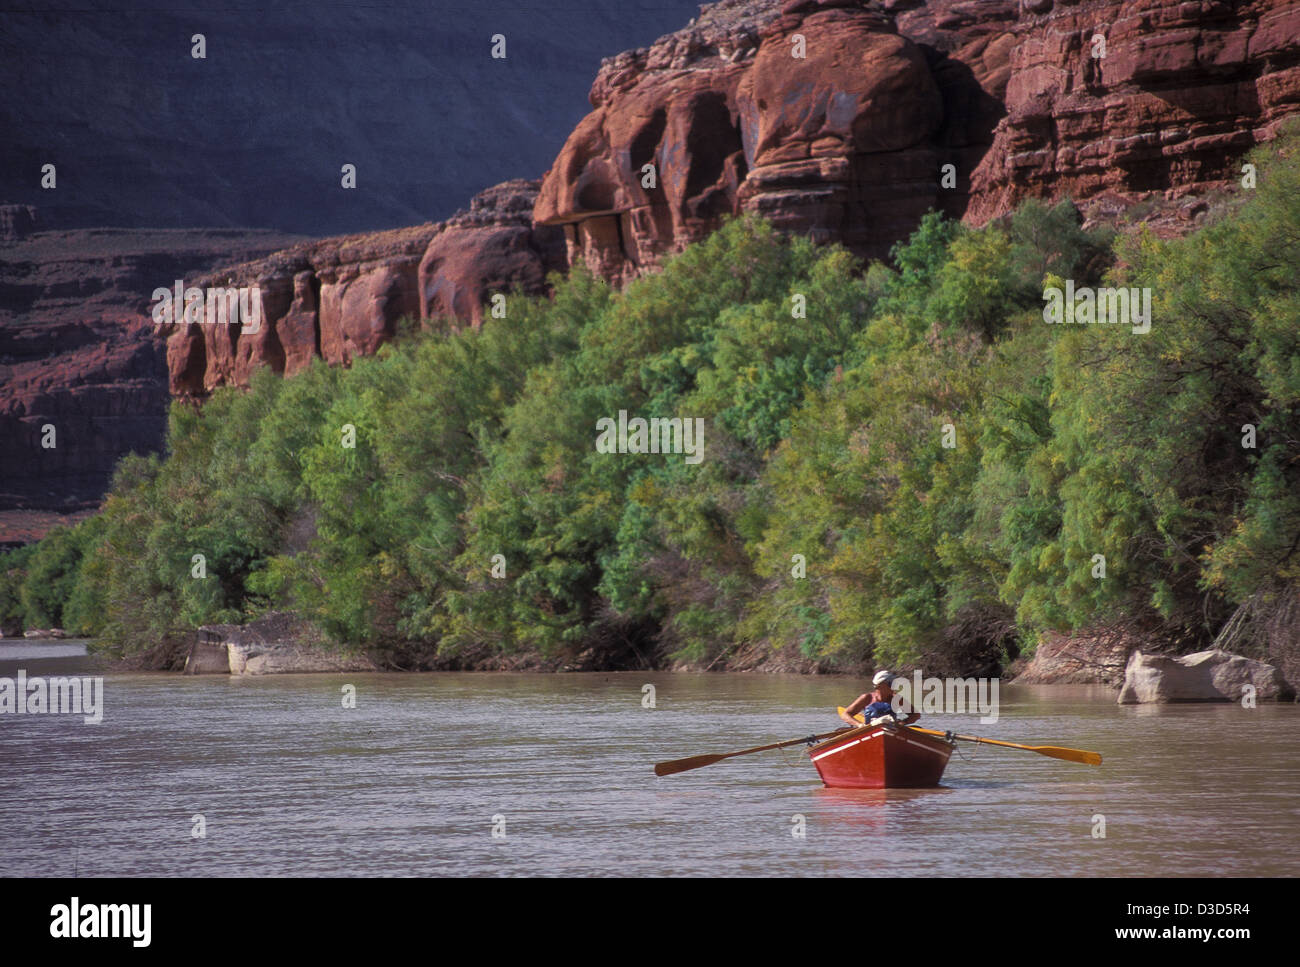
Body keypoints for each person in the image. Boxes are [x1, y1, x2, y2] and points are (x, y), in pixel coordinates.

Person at [840, 670, 919, 728]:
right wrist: (859, 724)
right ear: (879, 685)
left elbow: (915, 714)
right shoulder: (867, 698)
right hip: (869, 730)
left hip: (891, 730)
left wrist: (903, 722)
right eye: (891, 683)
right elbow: (845, 714)